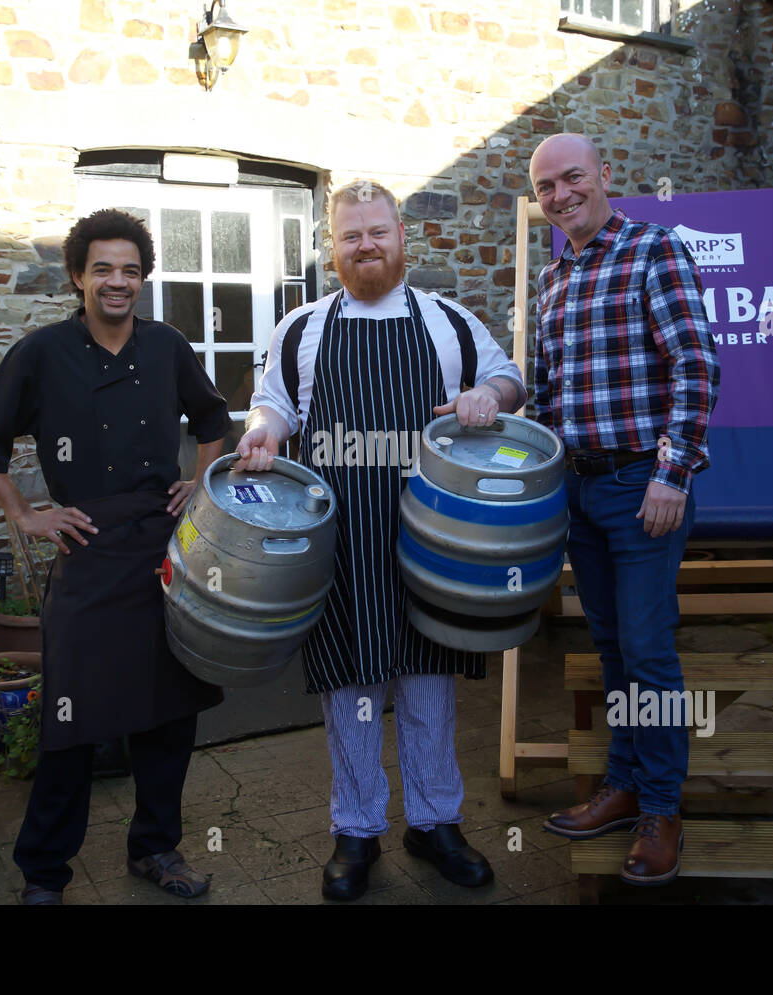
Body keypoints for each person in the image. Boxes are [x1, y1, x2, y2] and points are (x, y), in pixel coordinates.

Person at [236, 180, 527, 901]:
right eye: (350, 235)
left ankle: (434, 822)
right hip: (344, 541)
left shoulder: (448, 322)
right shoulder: (301, 328)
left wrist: (491, 396)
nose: (365, 245)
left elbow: (509, 376)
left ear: (403, 236)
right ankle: (356, 830)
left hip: (432, 540)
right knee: (352, 689)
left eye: (377, 231)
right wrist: (261, 433)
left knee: (428, 685)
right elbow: (272, 404)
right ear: (331, 246)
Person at [0, 208, 229, 904]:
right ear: (78, 275)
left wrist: (200, 482)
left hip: (165, 547)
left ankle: (156, 847)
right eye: (103, 268)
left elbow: (214, 419)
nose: (118, 281)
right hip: (87, 546)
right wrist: (26, 513)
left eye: (130, 270)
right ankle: (45, 871)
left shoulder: (166, 346)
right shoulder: (44, 353)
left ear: (143, 279)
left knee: (170, 710)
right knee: (70, 721)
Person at [528, 134, 719, 886]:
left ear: (605, 175)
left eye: (573, 177)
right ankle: (625, 783)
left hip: (643, 487)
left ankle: (662, 810)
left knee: (647, 653)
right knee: (611, 647)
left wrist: (672, 472)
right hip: (579, 487)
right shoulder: (553, 275)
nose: (561, 194)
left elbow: (697, 364)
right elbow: (548, 393)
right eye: (546, 186)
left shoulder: (654, 250)